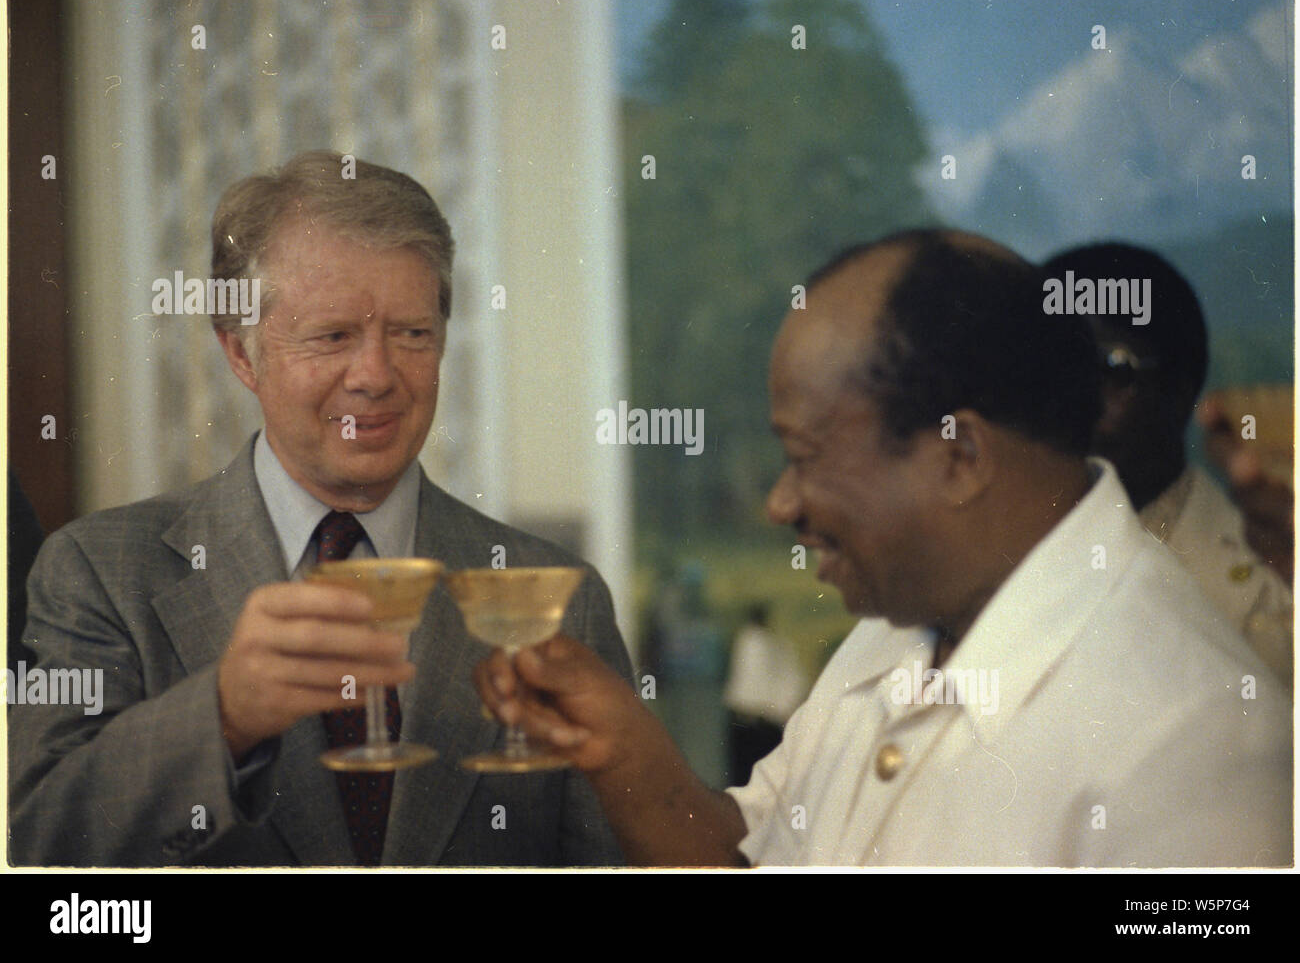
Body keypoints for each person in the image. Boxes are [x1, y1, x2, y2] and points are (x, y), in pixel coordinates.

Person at [474, 229, 1292, 867]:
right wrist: (625, 752)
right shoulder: (903, 624)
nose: (779, 503)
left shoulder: (1197, 742)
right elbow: (750, 857)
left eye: (805, 458)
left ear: (958, 456)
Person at [9, 151, 633, 867]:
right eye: (333, 336)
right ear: (242, 354)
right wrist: (220, 719)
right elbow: (36, 840)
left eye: (412, 334)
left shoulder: (557, 595)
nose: (375, 376)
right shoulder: (100, 572)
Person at [1041, 244, 1292, 688]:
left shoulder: (1271, 599)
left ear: (1180, 392)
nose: (1073, 399)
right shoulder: (973, 567)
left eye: (1113, 369)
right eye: (1049, 367)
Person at [722, 603, 806, 785]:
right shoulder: (774, 645)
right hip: (762, 722)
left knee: (749, 782)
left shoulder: (753, 642)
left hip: (753, 722)